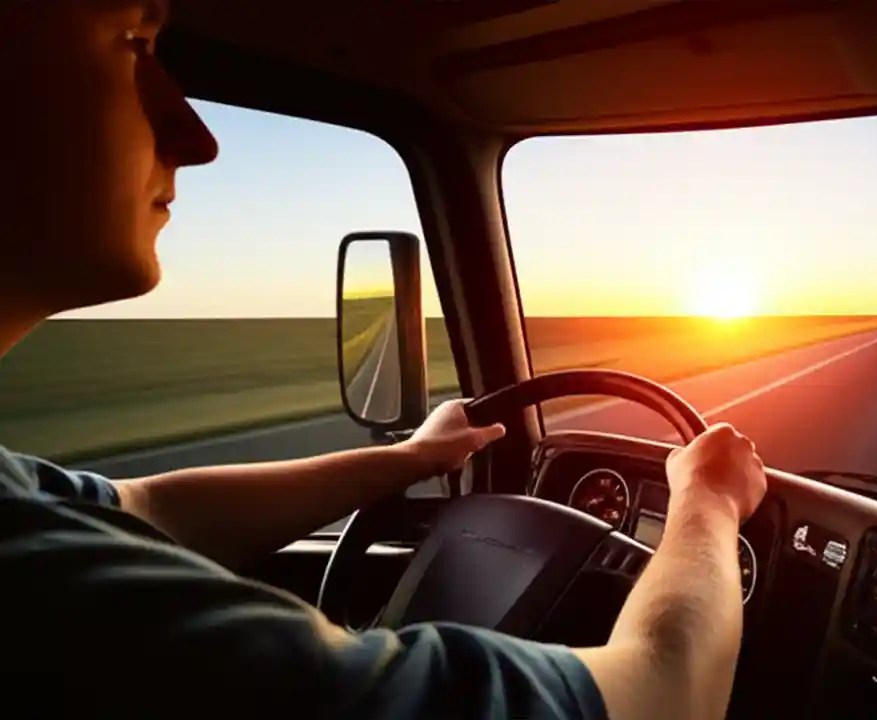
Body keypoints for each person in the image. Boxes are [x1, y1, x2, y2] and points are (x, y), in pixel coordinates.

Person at [0, 2, 768, 718]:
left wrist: (412, 458)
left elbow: (152, 513)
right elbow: (664, 694)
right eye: (134, 42)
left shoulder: (26, 516)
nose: (197, 138)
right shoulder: (53, 599)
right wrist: (707, 503)